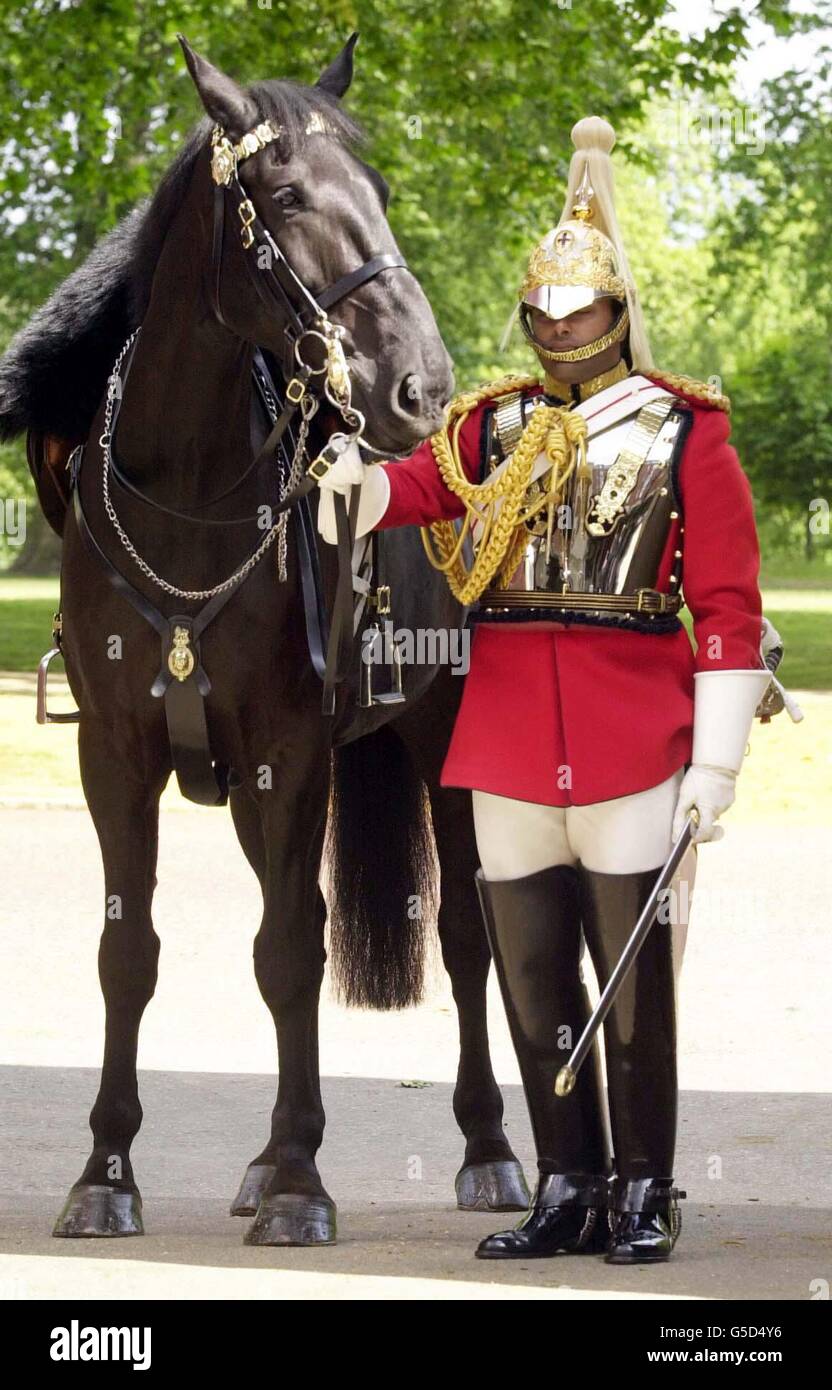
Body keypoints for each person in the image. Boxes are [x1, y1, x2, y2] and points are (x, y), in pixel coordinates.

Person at [314, 116, 773, 1263]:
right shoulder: (490, 426)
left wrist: (712, 761)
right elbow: (412, 491)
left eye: (581, 310)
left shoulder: (686, 433)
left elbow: (726, 611)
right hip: (510, 730)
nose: (561, 328)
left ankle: (644, 1186)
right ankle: (565, 1180)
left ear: (616, 313)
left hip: (632, 727)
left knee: (632, 984)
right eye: (545, 311)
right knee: (531, 978)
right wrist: (349, 480)